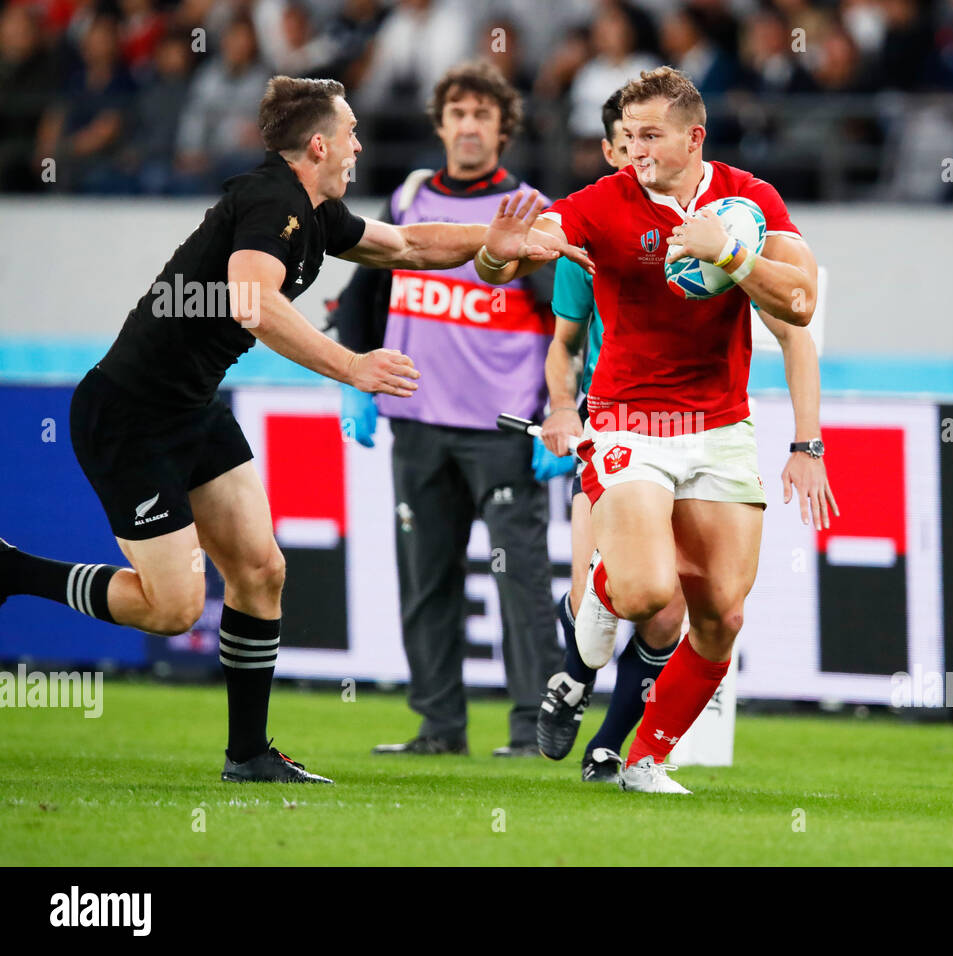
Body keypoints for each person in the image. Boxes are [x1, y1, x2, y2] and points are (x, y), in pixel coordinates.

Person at [0, 75, 588, 784]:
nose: (358, 146)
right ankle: (15, 571)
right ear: (318, 144)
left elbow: (407, 244)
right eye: (349, 134)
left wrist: (493, 238)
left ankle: (248, 755)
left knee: (261, 571)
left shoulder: (317, 210)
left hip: (191, 409)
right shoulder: (271, 201)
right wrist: (350, 366)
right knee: (174, 608)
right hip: (130, 417)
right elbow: (254, 302)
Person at [477, 66, 821, 794]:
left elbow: (800, 302)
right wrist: (503, 249)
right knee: (645, 593)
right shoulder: (604, 203)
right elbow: (529, 243)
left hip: (721, 425)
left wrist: (728, 253)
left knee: (721, 612)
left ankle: (642, 759)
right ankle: (580, 663)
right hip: (630, 422)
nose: (635, 150)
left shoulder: (749, 201)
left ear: (694, 138)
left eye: (651, 136)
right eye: (628, 136)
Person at [332, 60, 562, 759]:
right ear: (440, 125)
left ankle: (533, 732)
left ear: (502, 129)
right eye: (457, 113)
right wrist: (355, 376)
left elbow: (569, 318)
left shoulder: (531, 211)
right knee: (426, 582)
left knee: (518, 583)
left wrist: (563, 406)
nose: (468, 126)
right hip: (419, 425)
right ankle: (439, 729)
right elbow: (364, 296)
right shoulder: (405, 200)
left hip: (502, 431)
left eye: (482, 115)